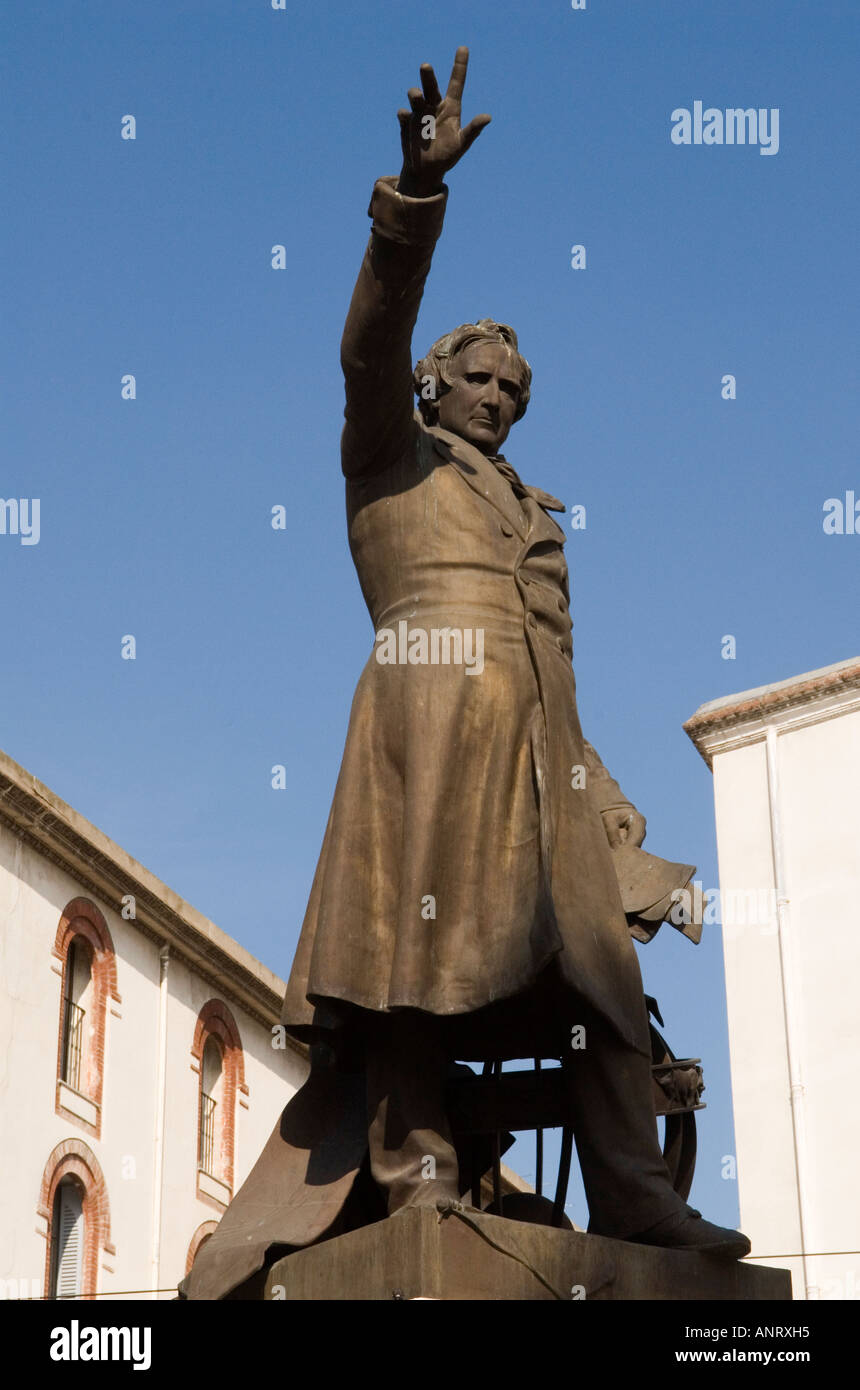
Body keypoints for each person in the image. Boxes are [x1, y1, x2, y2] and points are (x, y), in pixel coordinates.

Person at [181, 47, 748, 1300]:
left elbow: (561, 673)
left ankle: (639, 1197)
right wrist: (412, 196)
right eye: (478, 379)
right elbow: (365, 338)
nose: (497, 399)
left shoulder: (540, 516)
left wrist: (611, 814)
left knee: (606, 970)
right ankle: (416, 1151)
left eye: (515, 390)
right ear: (435, 383)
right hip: (424, 731)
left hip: (534, 757)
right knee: (416, 960)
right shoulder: (388, 451)